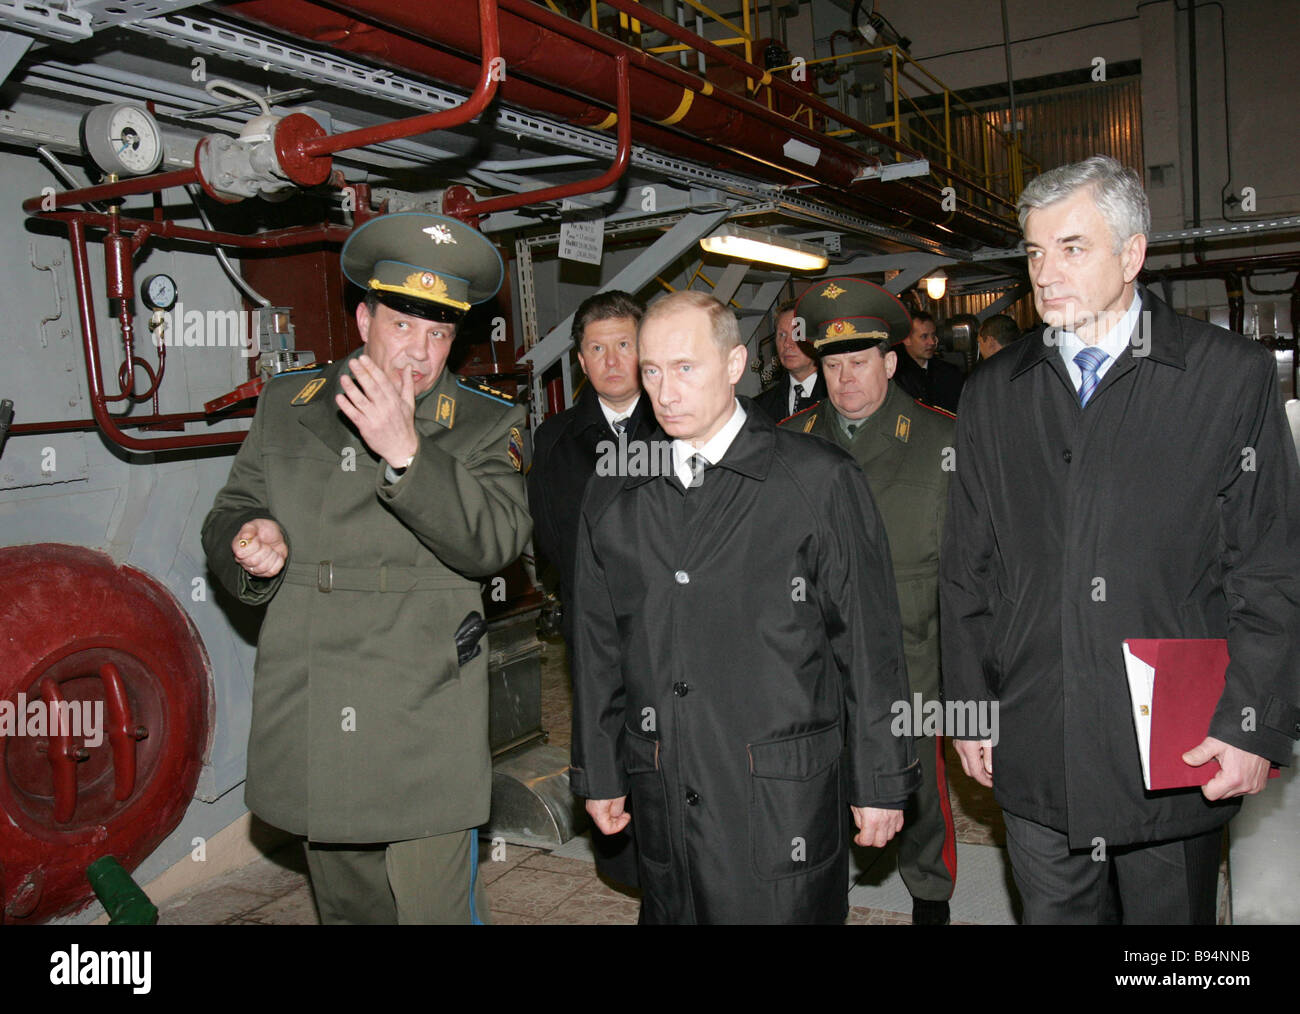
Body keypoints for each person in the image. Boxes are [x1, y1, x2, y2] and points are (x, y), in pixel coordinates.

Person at [941, 155, 1300, 924]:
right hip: (1038, 739)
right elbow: (968, 571)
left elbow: (1269, 568)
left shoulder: (1225, 378)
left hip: (1173, 745)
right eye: (1035, 253)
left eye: (1072, 248)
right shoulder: (994, 396)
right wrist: (971, 704)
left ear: (1132, 255)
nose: (1046, 272)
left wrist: (1250, 724)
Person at [202, 212, 532, 924]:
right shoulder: (290, 408)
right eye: (402, 326)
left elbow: (496, 540)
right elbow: (231, 509)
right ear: (363, 319)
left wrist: (409, 452)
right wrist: (249, 541)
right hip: (320, 700)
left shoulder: (482, 423)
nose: (418, 352)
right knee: (350, 913)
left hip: (423, 710)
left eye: (439, 333)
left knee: (432, 913)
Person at [569, 289, 919, 924]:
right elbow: (597, 648)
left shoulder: (816, 480)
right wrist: (599, 770)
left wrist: (881, 780)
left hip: (778, 793)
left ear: (734, 365)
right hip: (666, 783)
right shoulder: (616, 487)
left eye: (685, 368)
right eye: (652, 371)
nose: (665, 391)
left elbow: (869, 645)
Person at [781, 277, 958, 925]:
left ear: (890, 362)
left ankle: (930, 898)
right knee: (808, 798)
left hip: (913, 664)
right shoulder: (789, 443)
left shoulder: (942, 445)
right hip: (813, 669)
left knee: (919, 801)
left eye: (859, 362)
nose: (845, 378)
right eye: (833, 364)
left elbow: (968, 578)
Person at [526, 289, 654, 888]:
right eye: (596, 349)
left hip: (673, 619)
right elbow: (551, 539)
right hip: (593, 623)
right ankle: (622, 859)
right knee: (607, 734)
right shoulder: (554, 441)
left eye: (623, 345)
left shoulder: (681, 423)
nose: (610, 360)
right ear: (580, 360)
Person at [752, 299, 828, 421]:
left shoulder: (838, 398)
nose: (787, 344)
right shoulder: (759, 408)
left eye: (797, 334)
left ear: (816, 339)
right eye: (782, 335)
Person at [891, 309, 965, 412]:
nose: (931, 342)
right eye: (924, 336)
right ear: (907, 340)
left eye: (933, 335)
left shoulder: (950, 374)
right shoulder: (894, 379)